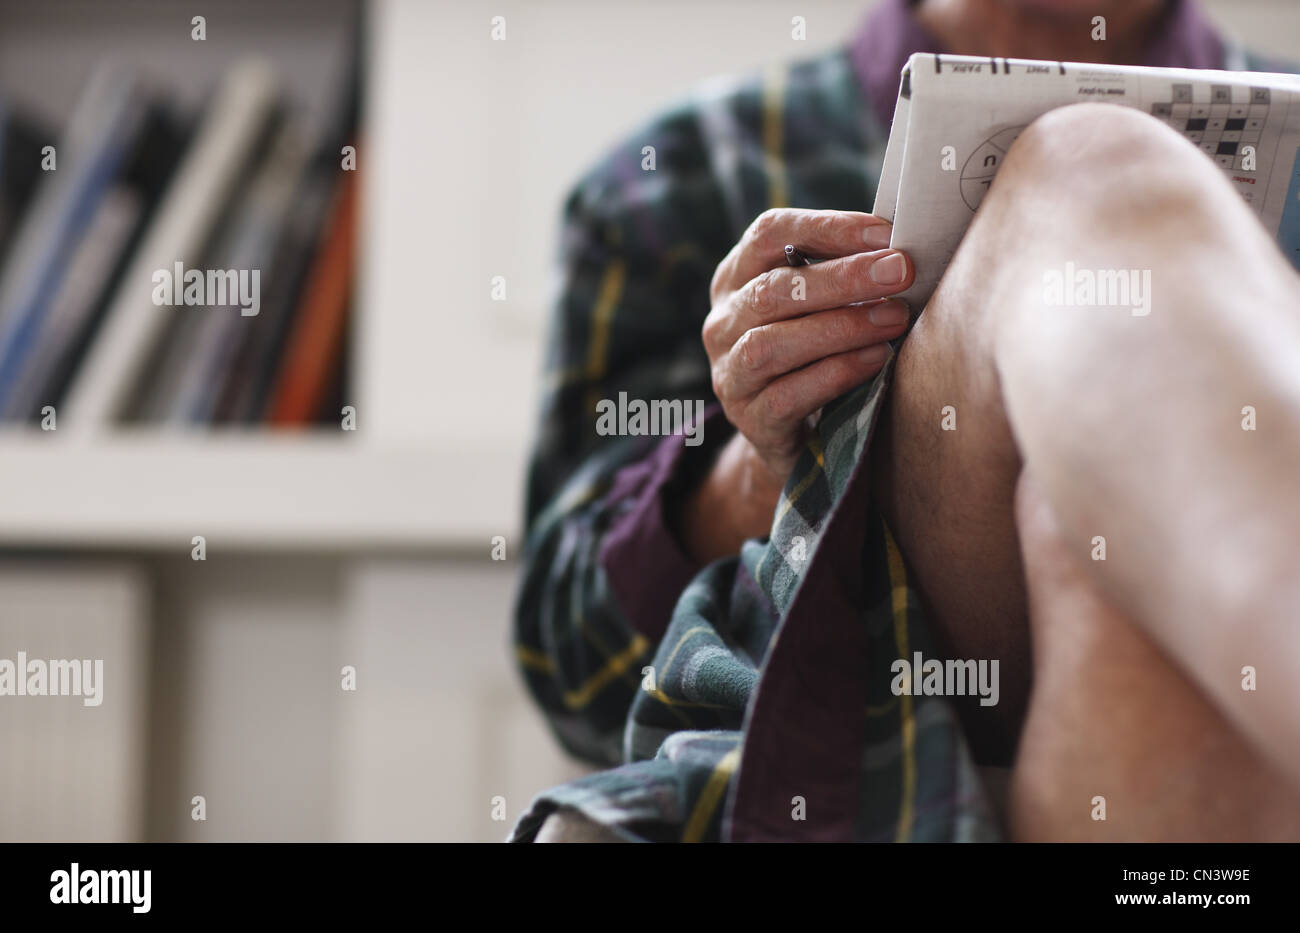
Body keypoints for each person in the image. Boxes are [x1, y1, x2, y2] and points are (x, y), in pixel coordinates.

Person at [512, 0, 1300, 842]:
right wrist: (766, 458)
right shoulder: (677, 172)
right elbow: (579, 670)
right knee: (1091, 156)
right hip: (884, 661)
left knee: (1083, 529)